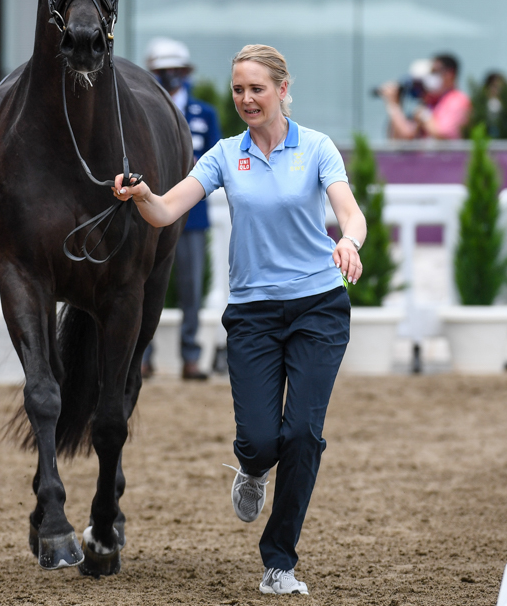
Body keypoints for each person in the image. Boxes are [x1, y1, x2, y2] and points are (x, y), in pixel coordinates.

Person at [114, 44, 366, 595]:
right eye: (238, 89)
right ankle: (252, 470)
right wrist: (140, 195)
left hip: (319, 306)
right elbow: (165, 210)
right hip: (252, 313)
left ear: (281, 89)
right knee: (257, 440)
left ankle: (279, 564)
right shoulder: (225, 155)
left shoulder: (317, 148)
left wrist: (348, 241)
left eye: (257, 88)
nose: (246, 99)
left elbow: (349, 210)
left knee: (302, 434)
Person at [140, 37, 219, 380]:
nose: (170, 77)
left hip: (192, 215)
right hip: (149, 214)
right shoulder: (141, 111)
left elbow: (215, 162)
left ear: (186, 72)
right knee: (142, 286)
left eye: (175, 70)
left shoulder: (205, 114)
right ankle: (141, 355)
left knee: (191, 289)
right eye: (162, 71)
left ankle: (190, 355)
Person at [378, 53, 471, 140]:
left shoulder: (457, 100)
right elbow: (401, 138)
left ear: (450, 74)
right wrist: (395, 104)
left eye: (435, 72)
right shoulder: (429, 104)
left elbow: (444, 135)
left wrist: (424, 116)